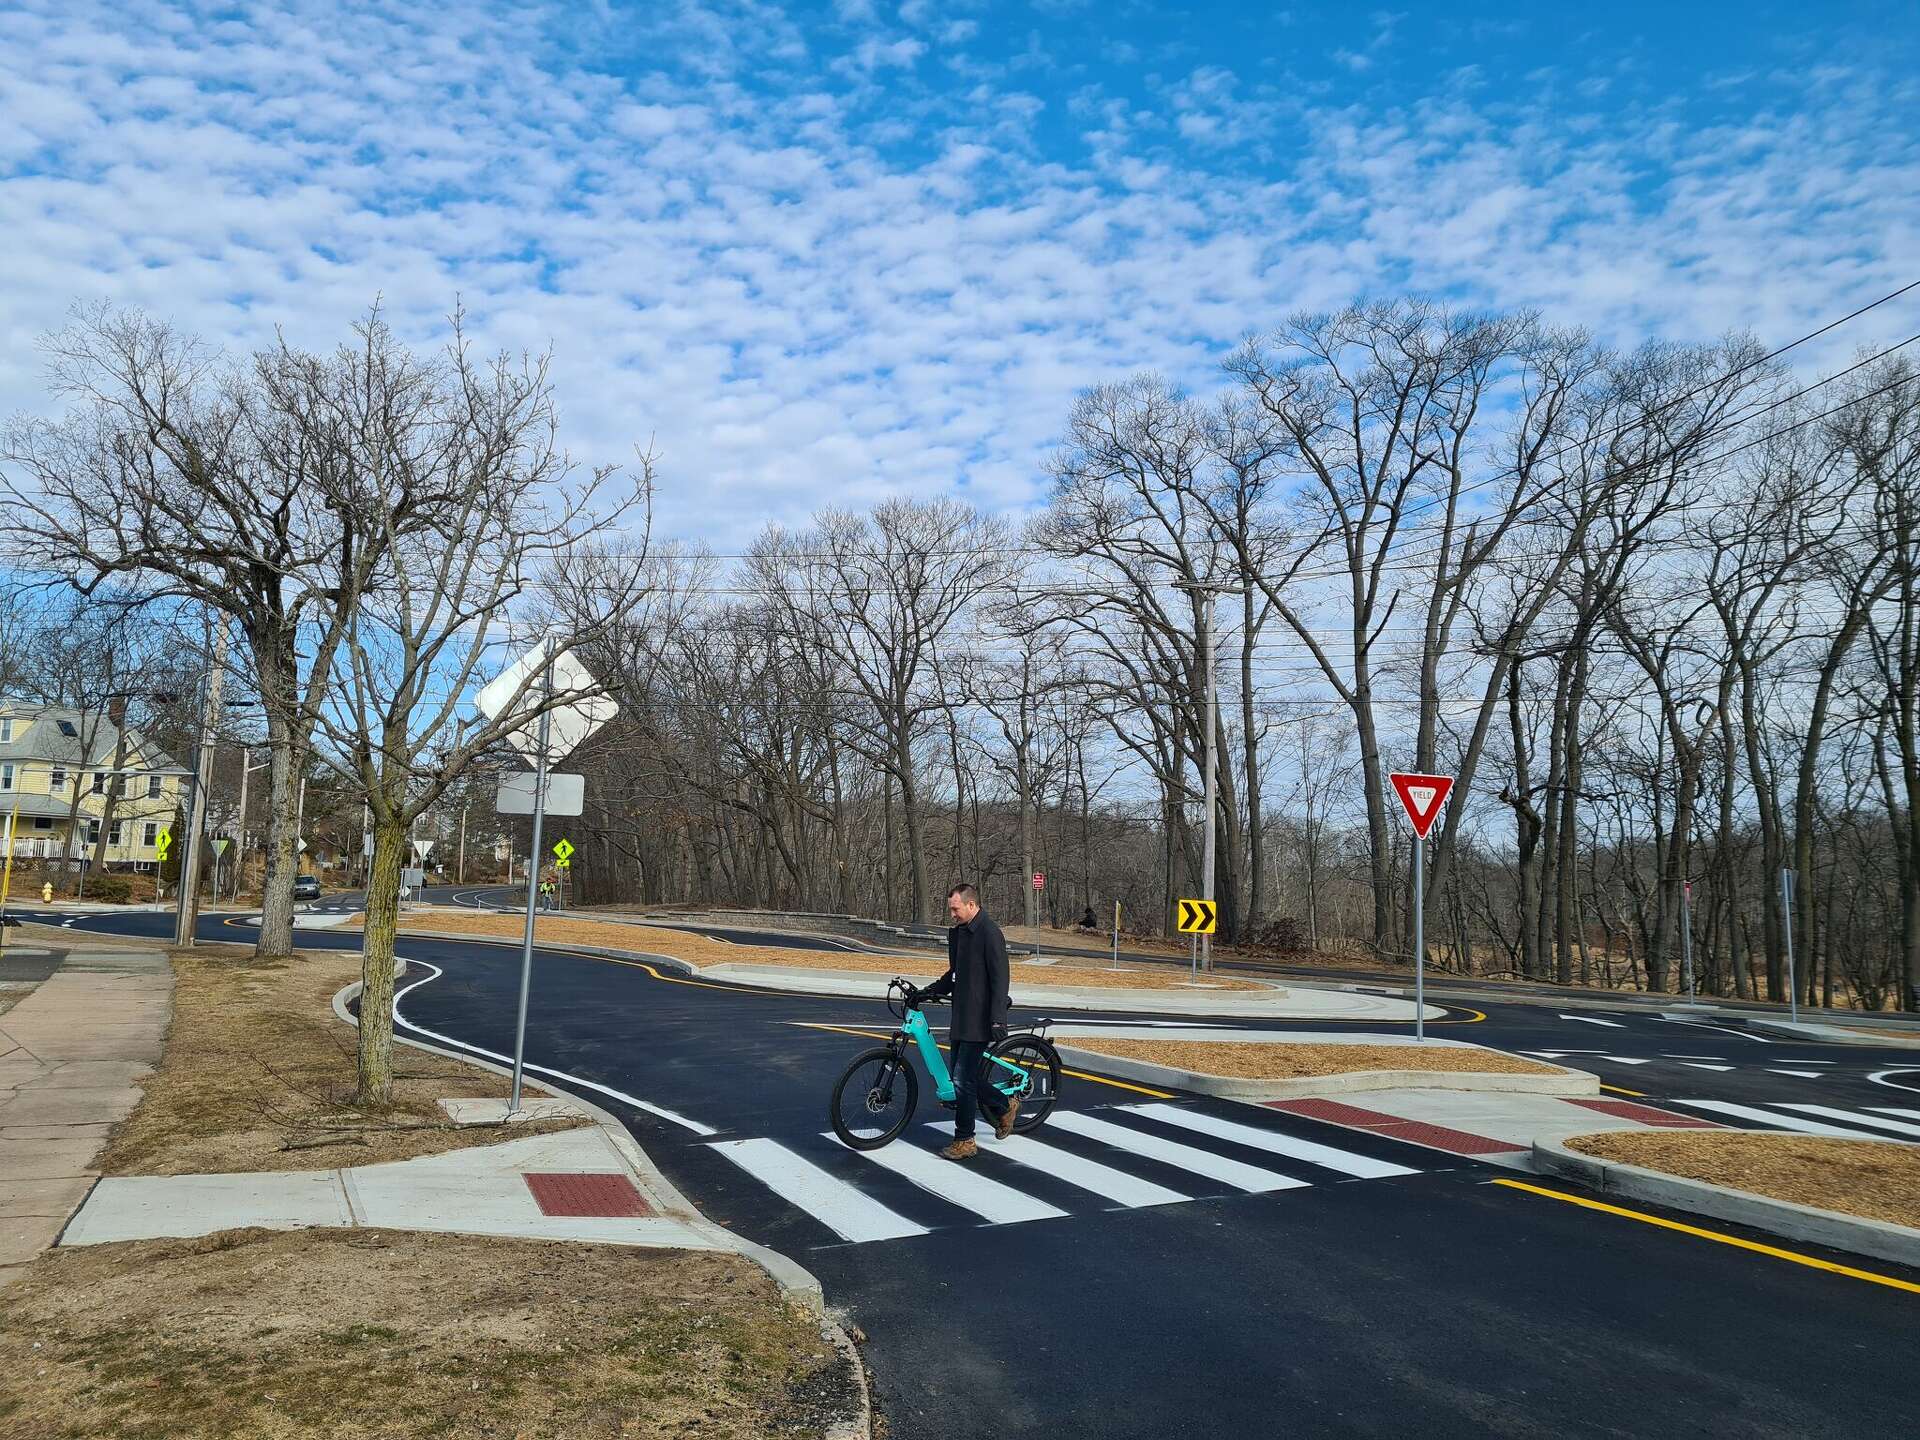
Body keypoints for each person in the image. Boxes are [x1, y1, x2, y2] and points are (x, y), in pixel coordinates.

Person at [912, 882, 1014, 1160]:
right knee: (962, 1079)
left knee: (962, 1080)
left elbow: (1000, 979)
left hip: (980, 1019)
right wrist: (927, 992)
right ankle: (1004, 1105)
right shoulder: (958, 934)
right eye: (951, 910)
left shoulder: (990, 933)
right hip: (961, 1016)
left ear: (971, 905)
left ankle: (965, 1140)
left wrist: (997, 1020)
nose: (952, 914)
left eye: (955, 909)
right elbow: (954, 974)